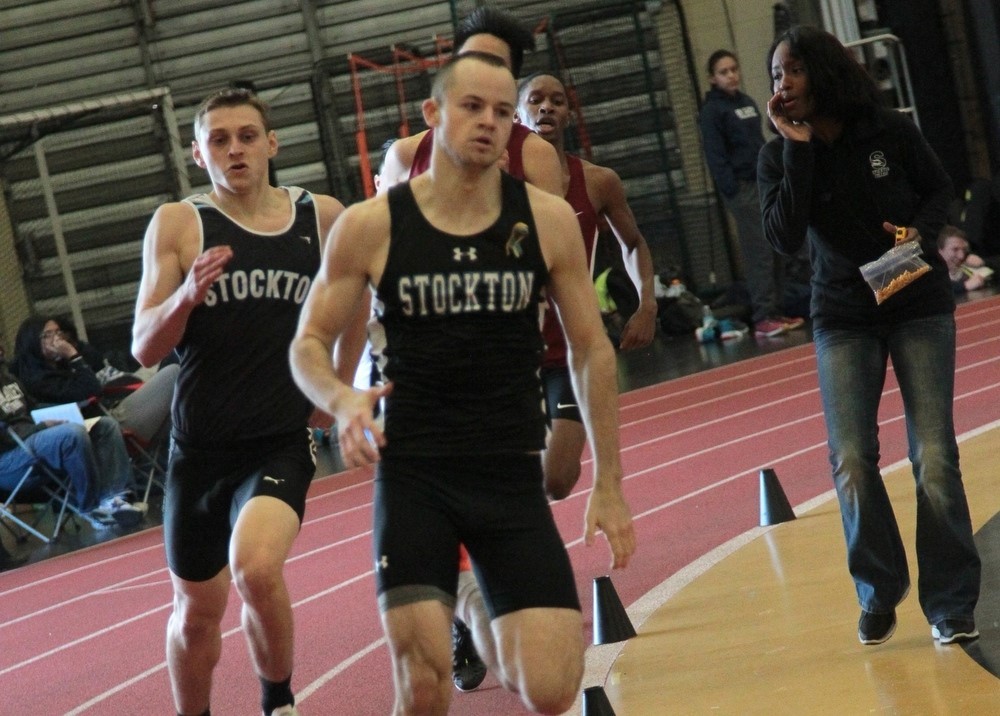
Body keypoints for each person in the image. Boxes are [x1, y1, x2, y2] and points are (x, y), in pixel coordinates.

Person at [289, 53, 635, 715]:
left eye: (502, 112)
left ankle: (471, 599)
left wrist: (610, 480)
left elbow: (592, 350)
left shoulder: (546, 220)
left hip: (508, 472)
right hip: (415, 472)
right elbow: (307, 344)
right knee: (422, 687)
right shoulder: (374, 225)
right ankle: (458, 603)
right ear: (432, 116)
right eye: (472, 107)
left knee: (552, 687)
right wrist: (342, 399)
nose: (488, 123)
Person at [759, 25, 981, 647]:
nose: (783, 85)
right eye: (776, 75)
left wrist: (918, 231)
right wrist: (797, 149)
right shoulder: (778, 151)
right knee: (852, 458)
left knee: (934, 456)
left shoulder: (890, 130)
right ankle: (880, 589)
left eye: (794, 71)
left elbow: (939, 189)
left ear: (824, 73)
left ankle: (950, 602)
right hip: (841, 313)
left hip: (916, 303)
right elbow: (781, 235)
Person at [130, 87, 347, 716]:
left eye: (247, 136)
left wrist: (334, 383)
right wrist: (185, 298)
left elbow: (355, 298)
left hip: (280, 437)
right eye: (219, 140)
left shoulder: (322, 217)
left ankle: (278, 702)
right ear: (198, 154)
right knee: (197, 615)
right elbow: (145, 349)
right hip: (198, 449)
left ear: (271, 143)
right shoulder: (178, 225)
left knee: (254, 568)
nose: (235, 150)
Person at [372, 6, 564, 694]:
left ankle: (498, 593)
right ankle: (462, 608)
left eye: (499, 75)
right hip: (427, 371)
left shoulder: (534, 156)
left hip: (525, 353)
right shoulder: (405, 156)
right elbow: (385, 262)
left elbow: (555, 257)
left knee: (557, 477)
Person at [517, 70, 657, 499]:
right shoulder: (498, 185)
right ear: (518, 114)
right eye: (536, 100)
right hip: (509, 351)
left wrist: (647, 304)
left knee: (556, 478)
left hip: (568, 351)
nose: (546, 107)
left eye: (557, 100)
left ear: (569, 114)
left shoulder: (598, 182)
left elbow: (633, 243)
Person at [377, 5, 562, 197]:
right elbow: (380, 225)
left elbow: (553, 226)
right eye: (469, 62)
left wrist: (504, 194)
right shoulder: (404, 156)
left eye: (494, 66)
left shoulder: (536, 156)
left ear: (512, 85)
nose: (478, 74)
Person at [698, 49, 804, 337]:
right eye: (723, 72)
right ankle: (763, 315)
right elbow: (715, 155)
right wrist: (732, 191)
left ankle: (777, 310)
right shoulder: (712, 112)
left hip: (764, 183)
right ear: (712, 78)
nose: (731, 75)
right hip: (743, 190)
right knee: (759, 253)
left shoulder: (746, 103)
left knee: (777, 248)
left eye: (734, 69)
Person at [1, 344, 141, 526]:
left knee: (104, 425)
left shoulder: (9, 378)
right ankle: (91, 508)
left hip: (33, 441)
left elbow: (33, 408)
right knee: (71, 434)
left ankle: (115, 500)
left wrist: (68, 411)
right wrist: (42, 426)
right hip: (9, 459)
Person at [13, 316, 178, 449]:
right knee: (173, 373)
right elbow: (93, 389)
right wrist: (72, 355)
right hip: (107, 426)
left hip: (111, 411)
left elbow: (95, 362)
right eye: (47, 335)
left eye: (58, 332)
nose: (56, 339)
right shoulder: (38, 380)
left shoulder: (61, 367)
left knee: (180, 414)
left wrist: (74, 353)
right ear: (33, 342)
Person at [937, 224, 996, 294]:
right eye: (955, 249)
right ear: (940, 251)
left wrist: (984, 262)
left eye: (964, 250)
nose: (961, 256)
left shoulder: (972, 271)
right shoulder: (932, 275)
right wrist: (965, 286)